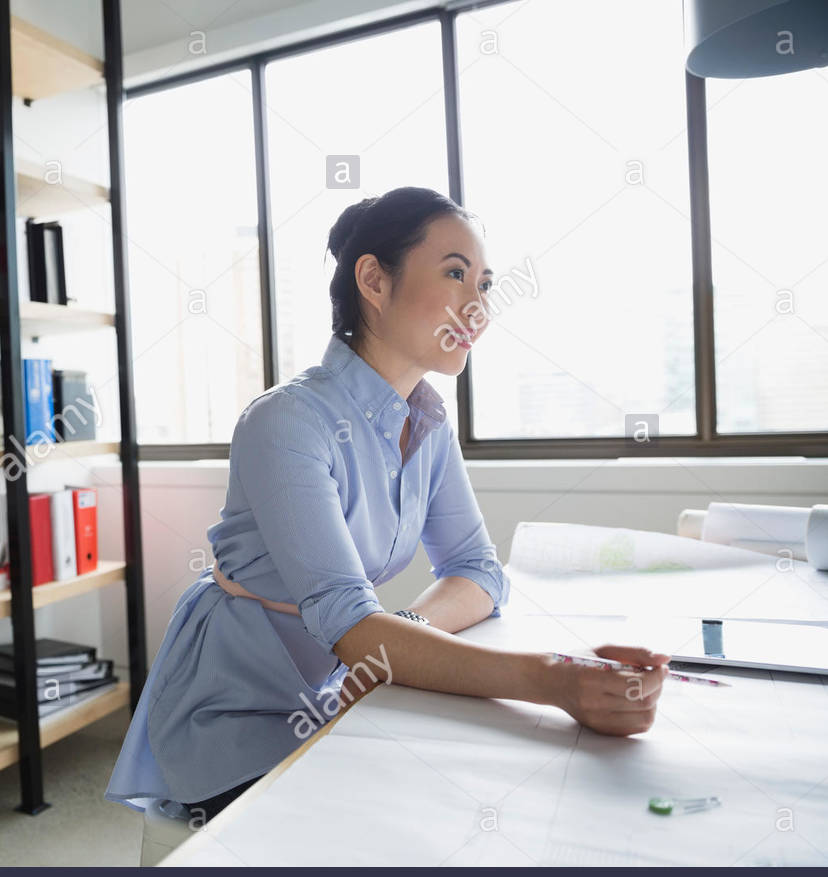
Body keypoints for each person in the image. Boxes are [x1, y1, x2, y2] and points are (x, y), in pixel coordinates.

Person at [105, 186, 668, 825]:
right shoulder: (288, 422)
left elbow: (479, 571)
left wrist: (401, 640)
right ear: (374, 279)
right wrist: (553, 680)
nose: (478, 305)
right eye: (456, 274)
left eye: (484, 284)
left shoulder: (427, 419)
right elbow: (350, 624)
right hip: (243, 713)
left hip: (347, 691)